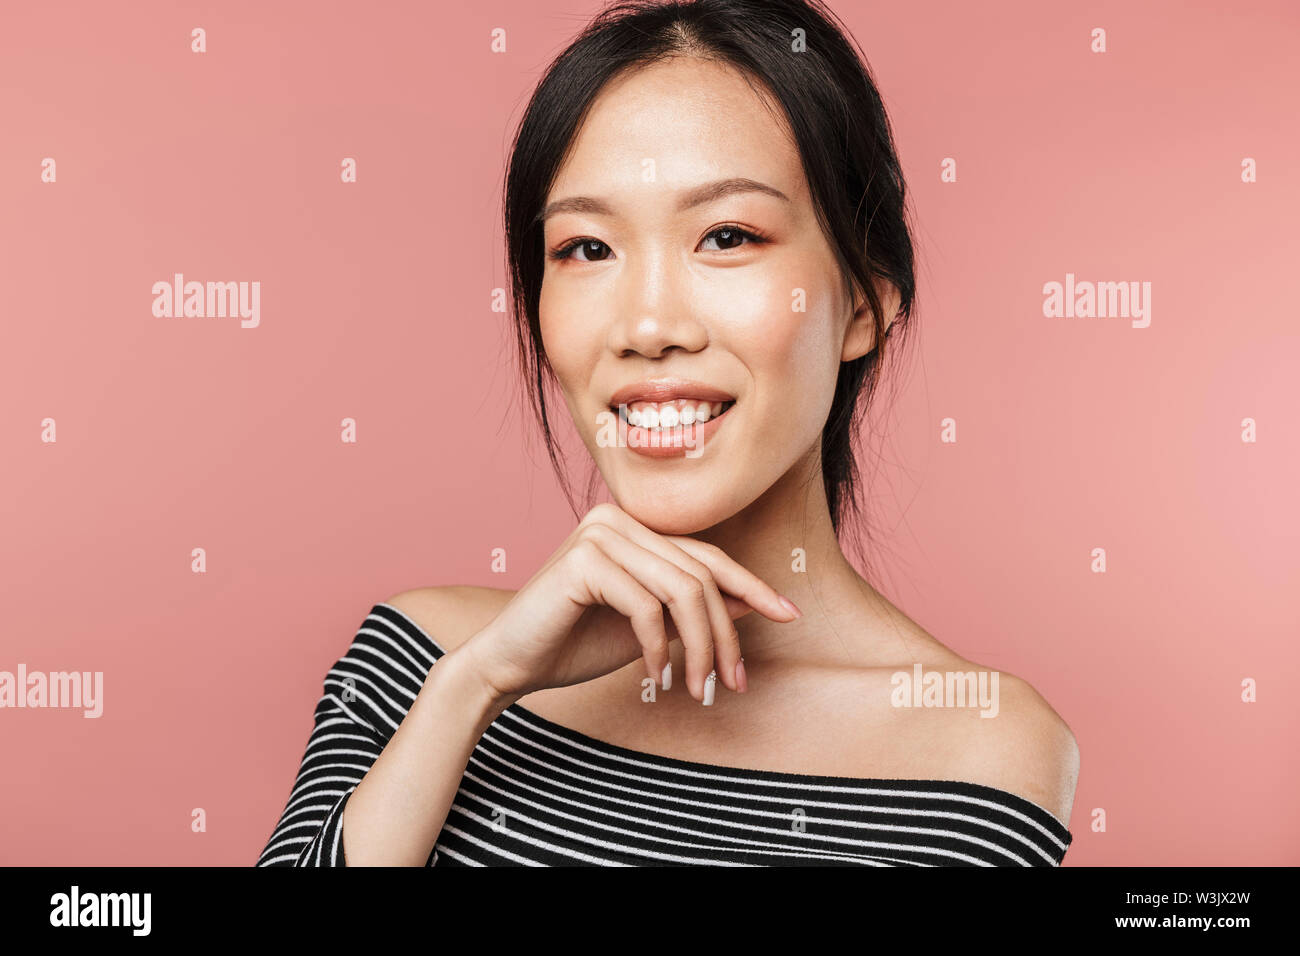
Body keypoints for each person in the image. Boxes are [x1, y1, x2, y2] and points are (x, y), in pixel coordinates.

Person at [257, 0, 1079, 867]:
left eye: (726, 236)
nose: (647, 326)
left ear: (864, 304)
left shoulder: (976, 750)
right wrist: (473, 687)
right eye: (586, 249)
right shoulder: (428, 658)